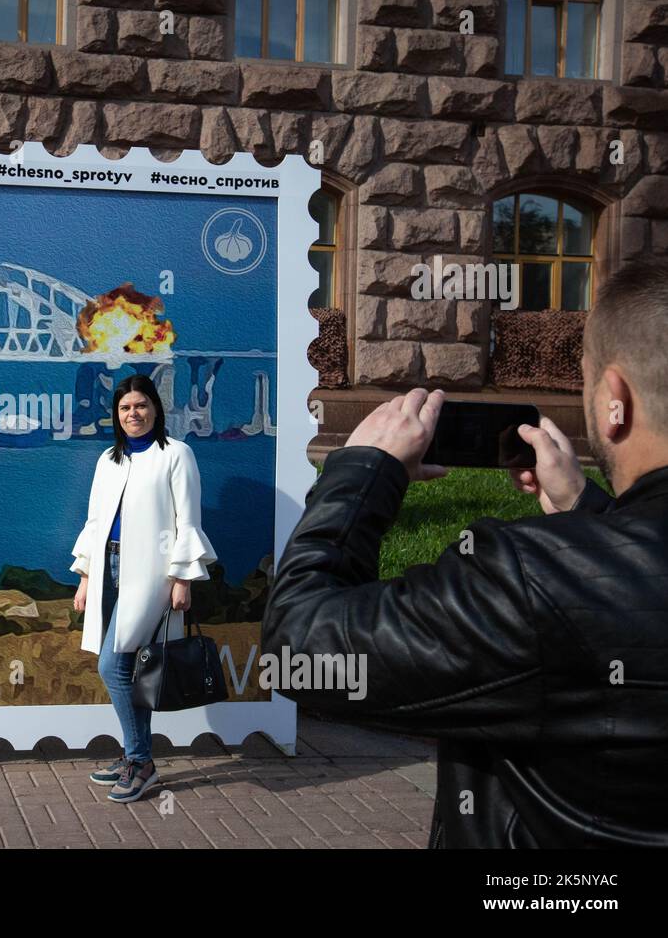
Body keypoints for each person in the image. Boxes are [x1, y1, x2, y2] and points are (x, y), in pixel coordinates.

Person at [263, 260, 668, 848]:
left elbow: (300, 646)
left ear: (614, 398)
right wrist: (591, 517)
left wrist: (360, 475)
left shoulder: (532, 579)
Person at [71, 374, 217, 804]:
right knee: (132, 668)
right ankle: (134, 757)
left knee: (111, 666)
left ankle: (142, 762)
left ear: (155, 408)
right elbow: (96, 521)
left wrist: (182, 579)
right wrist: (85, 577)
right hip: (109, 568)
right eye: (124, 408)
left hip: (153, 575)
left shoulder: (176, 455)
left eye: (140, 406)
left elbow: (187, 522)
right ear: (116, 415)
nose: (133, 414)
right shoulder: (108, 459)